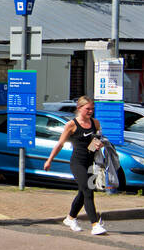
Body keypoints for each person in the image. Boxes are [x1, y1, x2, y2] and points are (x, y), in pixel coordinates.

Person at [45, 96, 108, 235]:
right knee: (87, 190)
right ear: (79, 108)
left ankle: (70, 218)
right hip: (77, 162)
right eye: (88, 109)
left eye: (92, 109)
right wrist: (49, 160)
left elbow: (95, 141)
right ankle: (95, 224)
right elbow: (60, 144)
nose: (90, 111)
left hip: (90, 162)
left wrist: (97, 144)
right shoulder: (71, 125)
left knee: (83, 191)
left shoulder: (95, 123)